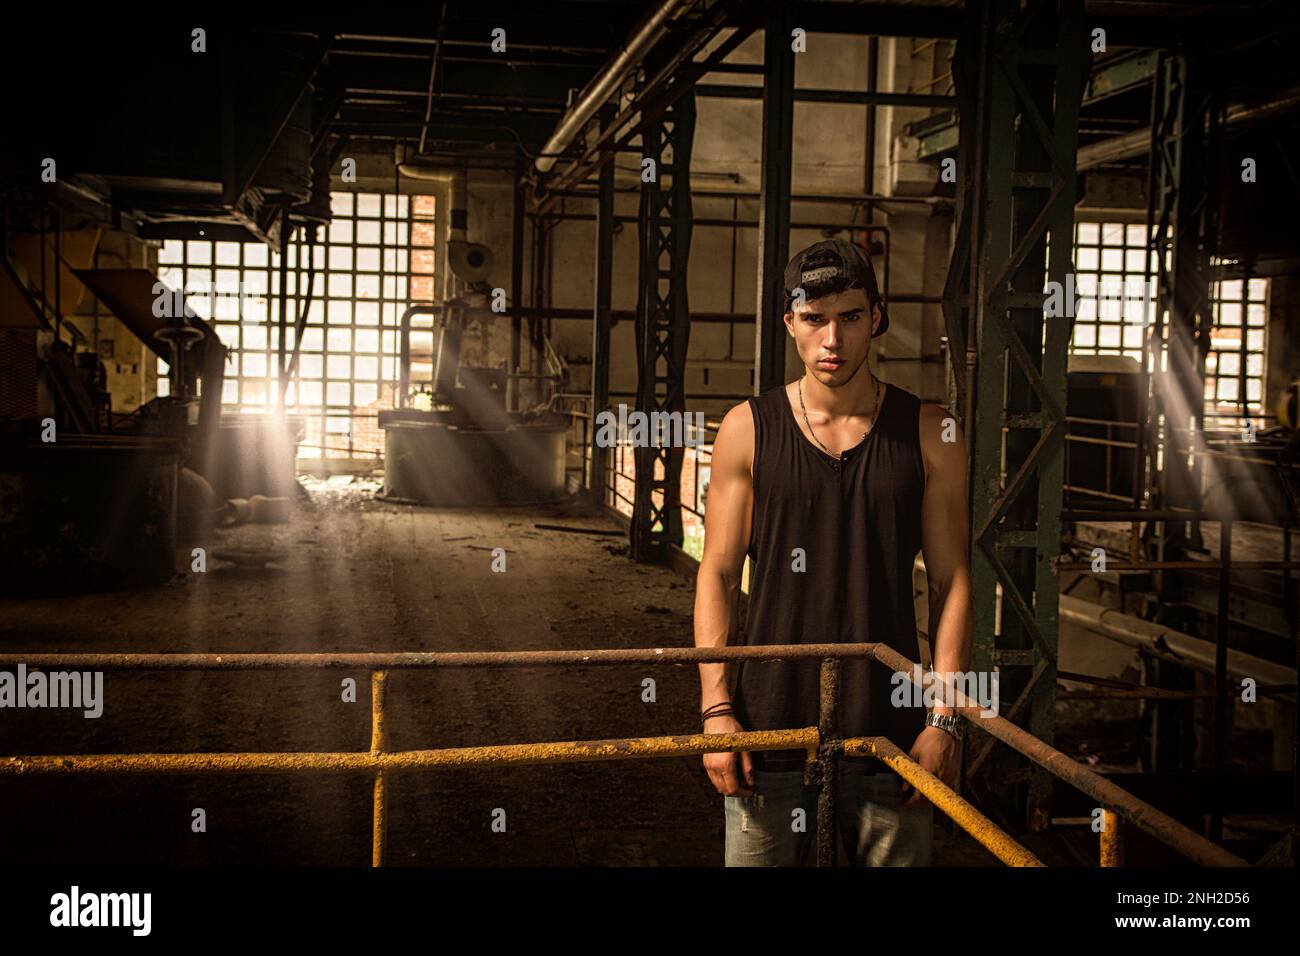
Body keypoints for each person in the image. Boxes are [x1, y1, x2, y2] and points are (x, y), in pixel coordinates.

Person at [693, 238, 973, 866]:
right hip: (770, 725)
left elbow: (954, 582)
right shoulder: (747, 427)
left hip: (891, 730)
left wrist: (944, 719)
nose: (832, 340)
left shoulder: (931, 431)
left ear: (876, 317)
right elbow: (716, 573)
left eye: (849, 317)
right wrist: (717, 709)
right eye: (814, 319)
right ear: (789, 322)